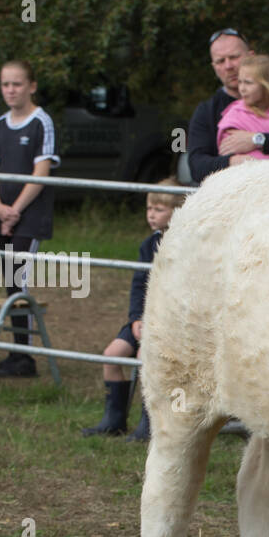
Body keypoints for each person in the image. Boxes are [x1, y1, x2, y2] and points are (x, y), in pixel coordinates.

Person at [82, 178, 185, 441]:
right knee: (111, 355)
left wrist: (157, 324)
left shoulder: (185, 248)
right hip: (144, 320)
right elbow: (139, 285)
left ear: (178, 211)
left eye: (159, 210)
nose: (151, 215)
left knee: (144, 356)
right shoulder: (147, 246)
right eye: (149, 208)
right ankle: (113, 419)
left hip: (171, 323)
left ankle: (150, 423)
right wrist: (136, 319)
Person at [0, 60, 59, 378]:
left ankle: (24, 354)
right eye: (5, 84)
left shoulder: (42, 122)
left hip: (30, 216)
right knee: (8, 280)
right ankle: (17, 351)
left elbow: (40, 174)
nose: (10, 90)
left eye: (16, 84)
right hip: (2, 214)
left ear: (31, 86)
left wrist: (15, 210)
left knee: (19, 281)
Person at [187, 28, 269, 183]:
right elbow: (196, 167)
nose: (229, 66)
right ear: (214, 67)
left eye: (234, 57)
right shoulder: (207, 111)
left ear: (251, 56)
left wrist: (258, 140)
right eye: (220, 61)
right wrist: (234, 162)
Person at [215, 55, 269, 161]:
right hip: (244, 173)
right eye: (240, 82)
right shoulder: (235, 114)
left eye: (248, 83)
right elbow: (227, 149)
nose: (242, 88)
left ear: (267, 85)